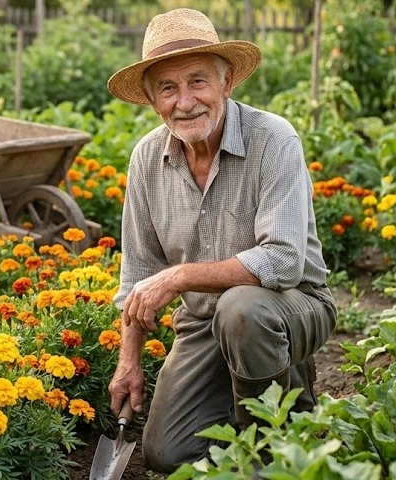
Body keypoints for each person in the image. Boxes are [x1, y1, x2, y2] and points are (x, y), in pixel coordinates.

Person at [105, 8, 338, 474]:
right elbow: (137, 275)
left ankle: (276, 438)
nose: (185, 101)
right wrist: (128, 361)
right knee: (166, 454)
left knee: (243, 309)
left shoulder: (273, 139)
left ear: (227, 82)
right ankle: (237, 404)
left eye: (198, 82)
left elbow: (284, 262)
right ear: (152, 100)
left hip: (290, 307)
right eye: (168, 88)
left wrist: (181, 276)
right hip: (202, 323)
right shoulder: (147, 159)